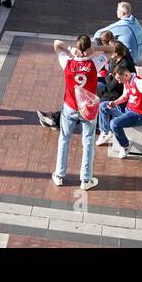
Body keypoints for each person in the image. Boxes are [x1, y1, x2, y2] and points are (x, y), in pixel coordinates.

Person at [51, 35, 99, 192]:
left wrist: (71, 50)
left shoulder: (67, 62)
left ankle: (59, 175)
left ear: (77, 48)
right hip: (88, 109)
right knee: (88, 142)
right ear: (88, 49)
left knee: (64, 139)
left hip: (70, 107)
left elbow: (56, 44)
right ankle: (86, 179)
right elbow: (113, 50)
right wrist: (93, 51)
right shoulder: (95, 64)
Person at [94, 64, 142, 158]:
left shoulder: (139, 82)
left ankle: (125, 145)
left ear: (126, 75)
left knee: (114, 123)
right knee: (103, 106)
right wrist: (115, 102)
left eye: (119, 79)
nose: (119, 82)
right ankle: (105, 132)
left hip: (138, 115)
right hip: (128, 111)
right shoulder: (127, 82)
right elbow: (125, 96)